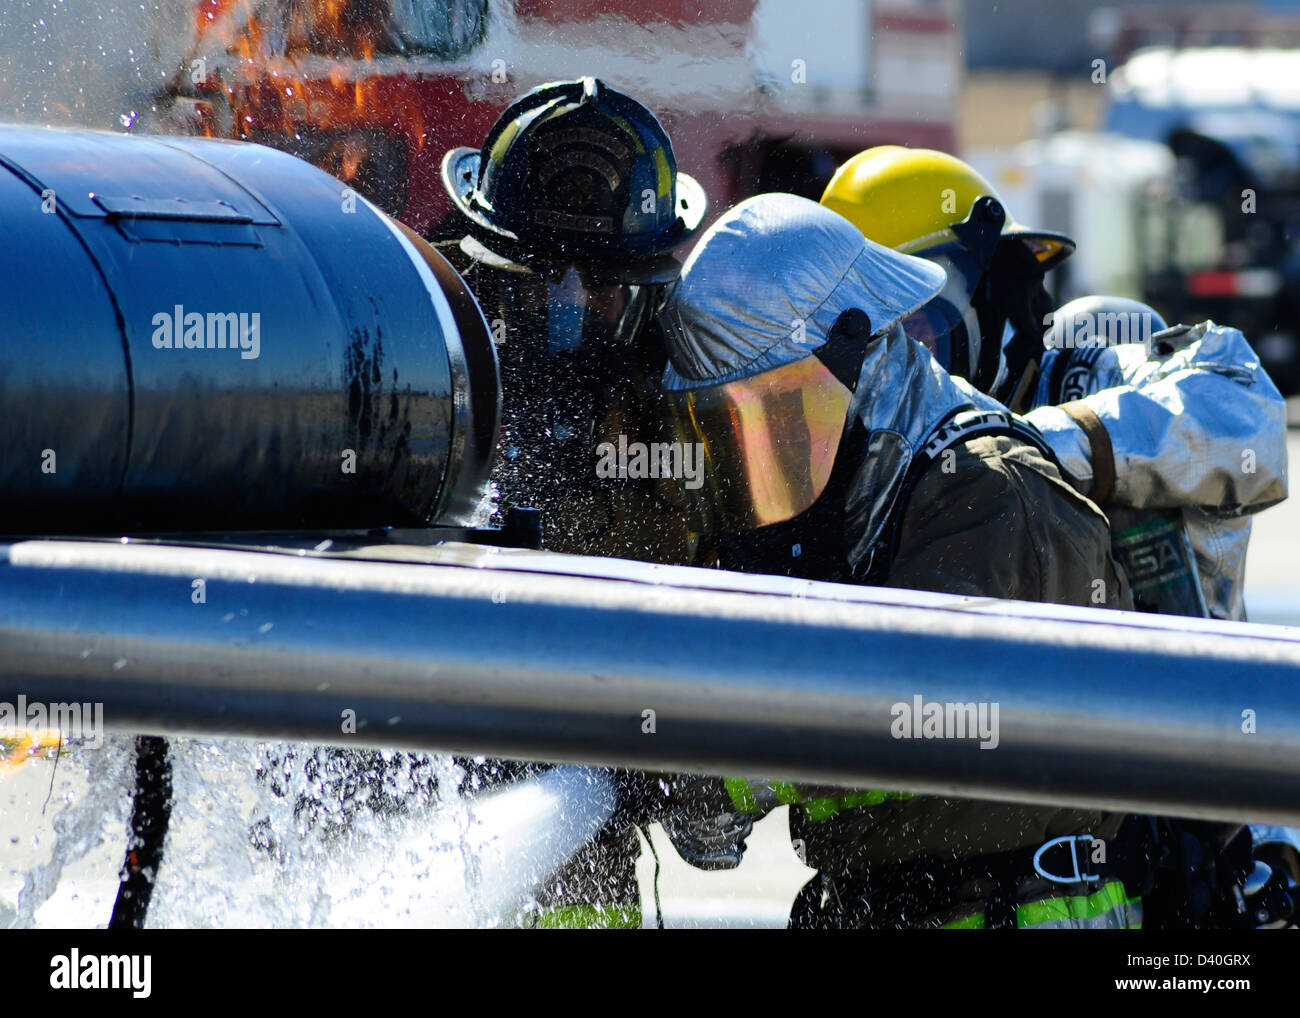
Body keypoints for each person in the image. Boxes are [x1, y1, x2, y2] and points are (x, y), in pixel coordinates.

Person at [647, 191, 1145, 929]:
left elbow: (924, 715)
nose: (761, 452)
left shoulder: (990, 494)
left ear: (859, 354)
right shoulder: (864, 492)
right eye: (731, 430)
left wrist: (725, 766)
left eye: (775, 414)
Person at [437, 76, 708, 927]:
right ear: (500, 270)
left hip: (582, 861)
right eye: (557, 283)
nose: (582, 312)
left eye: (610, 287)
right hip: (423, 818)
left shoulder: (664, 411)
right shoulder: (431, 391)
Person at [819, 146, 1288, 620]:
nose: (897, 367)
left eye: (916, 329)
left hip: (1174, 685)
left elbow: (1249, 415)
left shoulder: (1082, 385)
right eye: (871, 344)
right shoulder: (843, 451)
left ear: (991, 297)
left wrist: (1015, 449)